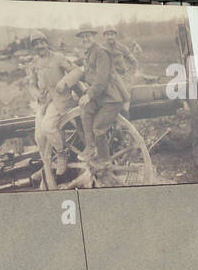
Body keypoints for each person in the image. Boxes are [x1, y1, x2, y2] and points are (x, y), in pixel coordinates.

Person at [78, 25, 130, 176]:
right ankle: (90, 147)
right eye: (83, 37)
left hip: (110, 98)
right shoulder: (88, 52)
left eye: (88, 36)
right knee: (85, 110)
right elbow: (88, 74)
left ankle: (105, 160)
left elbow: (101, 78)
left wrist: (89, 94)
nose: (85, 39)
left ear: (94, 37)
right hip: (99, 97)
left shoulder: (101, 52)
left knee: (98, 129)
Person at [26, 30, 72, 176]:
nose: (40, 46)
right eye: (36, 44)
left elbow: (76, 71)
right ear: (34, 47)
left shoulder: (58, 58)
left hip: (60, 99)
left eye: (42, 42)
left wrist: (64, 81)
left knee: (47, 127)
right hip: (44, 102)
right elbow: (31, 84)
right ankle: (47, 166)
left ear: (46, 43)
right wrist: (36, 93)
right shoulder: (33, 64)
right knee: (39, 137)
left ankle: (62, 154)